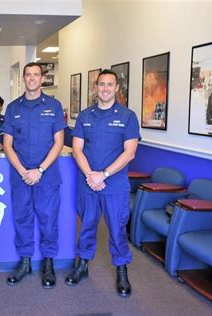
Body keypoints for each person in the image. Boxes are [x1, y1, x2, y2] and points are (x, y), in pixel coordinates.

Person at [65, 69, 140, 298]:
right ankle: (83, 265)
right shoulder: (85, 116)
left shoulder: (128, 116)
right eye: (101, 84)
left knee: (117, 228)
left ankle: (121, 270)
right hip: (88, 182)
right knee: (86, 225)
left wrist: (103, 175)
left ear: (117, 88)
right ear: (96, 87)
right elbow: (77, 148)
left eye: (110, 84)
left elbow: (129, 153)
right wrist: (91, 175)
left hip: (114, 185)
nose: (105, 88)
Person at [2, 62, 66, 289]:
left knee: (48, 220)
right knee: (22, 220)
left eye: (35, 75)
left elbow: (59, 143)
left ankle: (48, 263)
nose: (31, 78)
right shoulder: (12, 108)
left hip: (46, 177)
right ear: (23, 79)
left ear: (42, 78)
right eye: (27, 75)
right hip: (20, 177)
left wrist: (39, 170)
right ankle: (25, 262)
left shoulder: (54, 106)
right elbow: (7, 144)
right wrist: (22, 171)